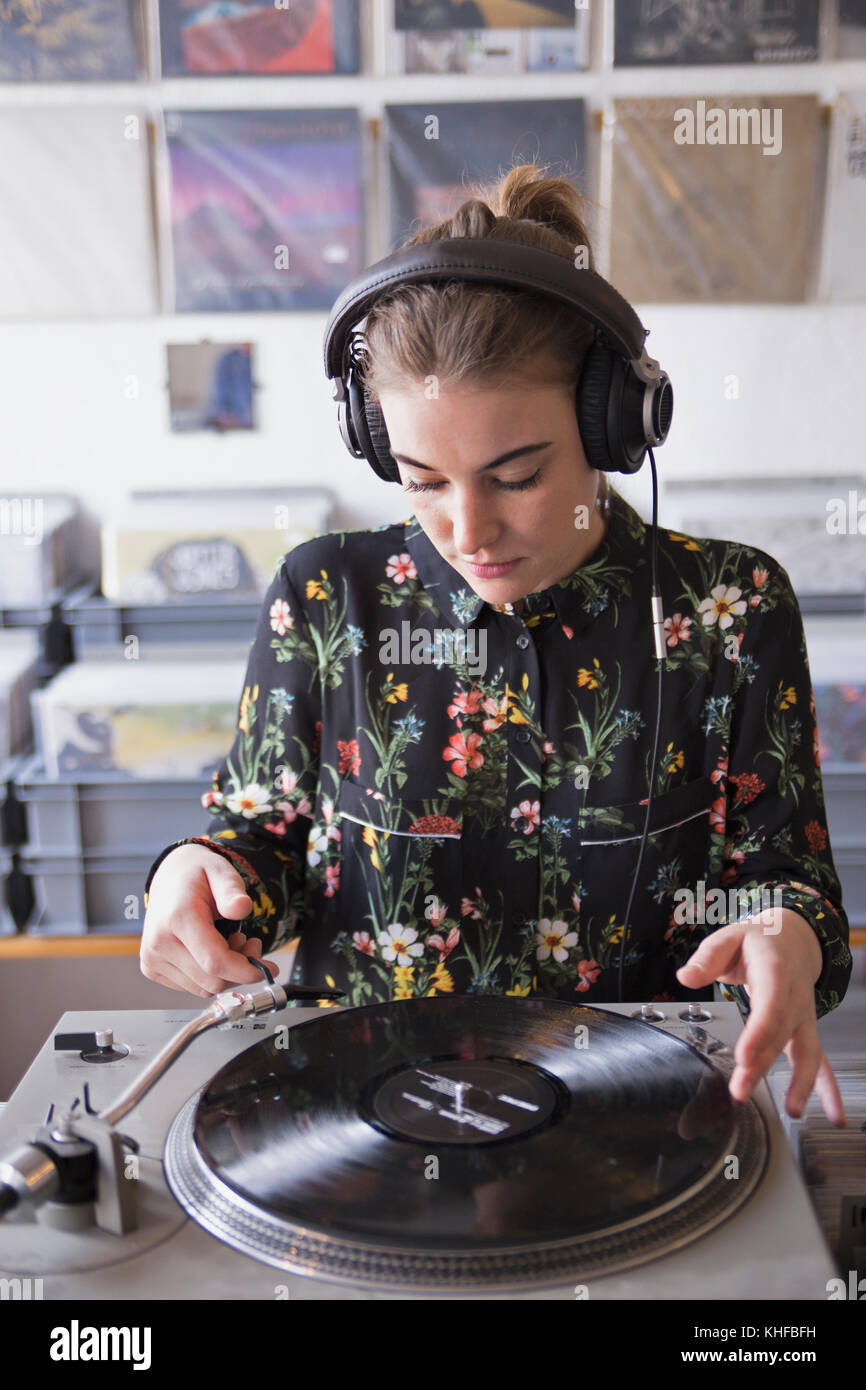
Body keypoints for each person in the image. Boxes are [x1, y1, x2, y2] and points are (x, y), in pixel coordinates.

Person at [141, 163, 852, 1126]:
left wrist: (785, 935)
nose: (467, 529)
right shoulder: (324, 594)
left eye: (516, 476)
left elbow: (787, 877)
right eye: (422, 480)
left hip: (639, 1125)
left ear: (612, 426)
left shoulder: (732, 605)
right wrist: (192, 876)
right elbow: (258, 845)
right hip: (360, 1125)